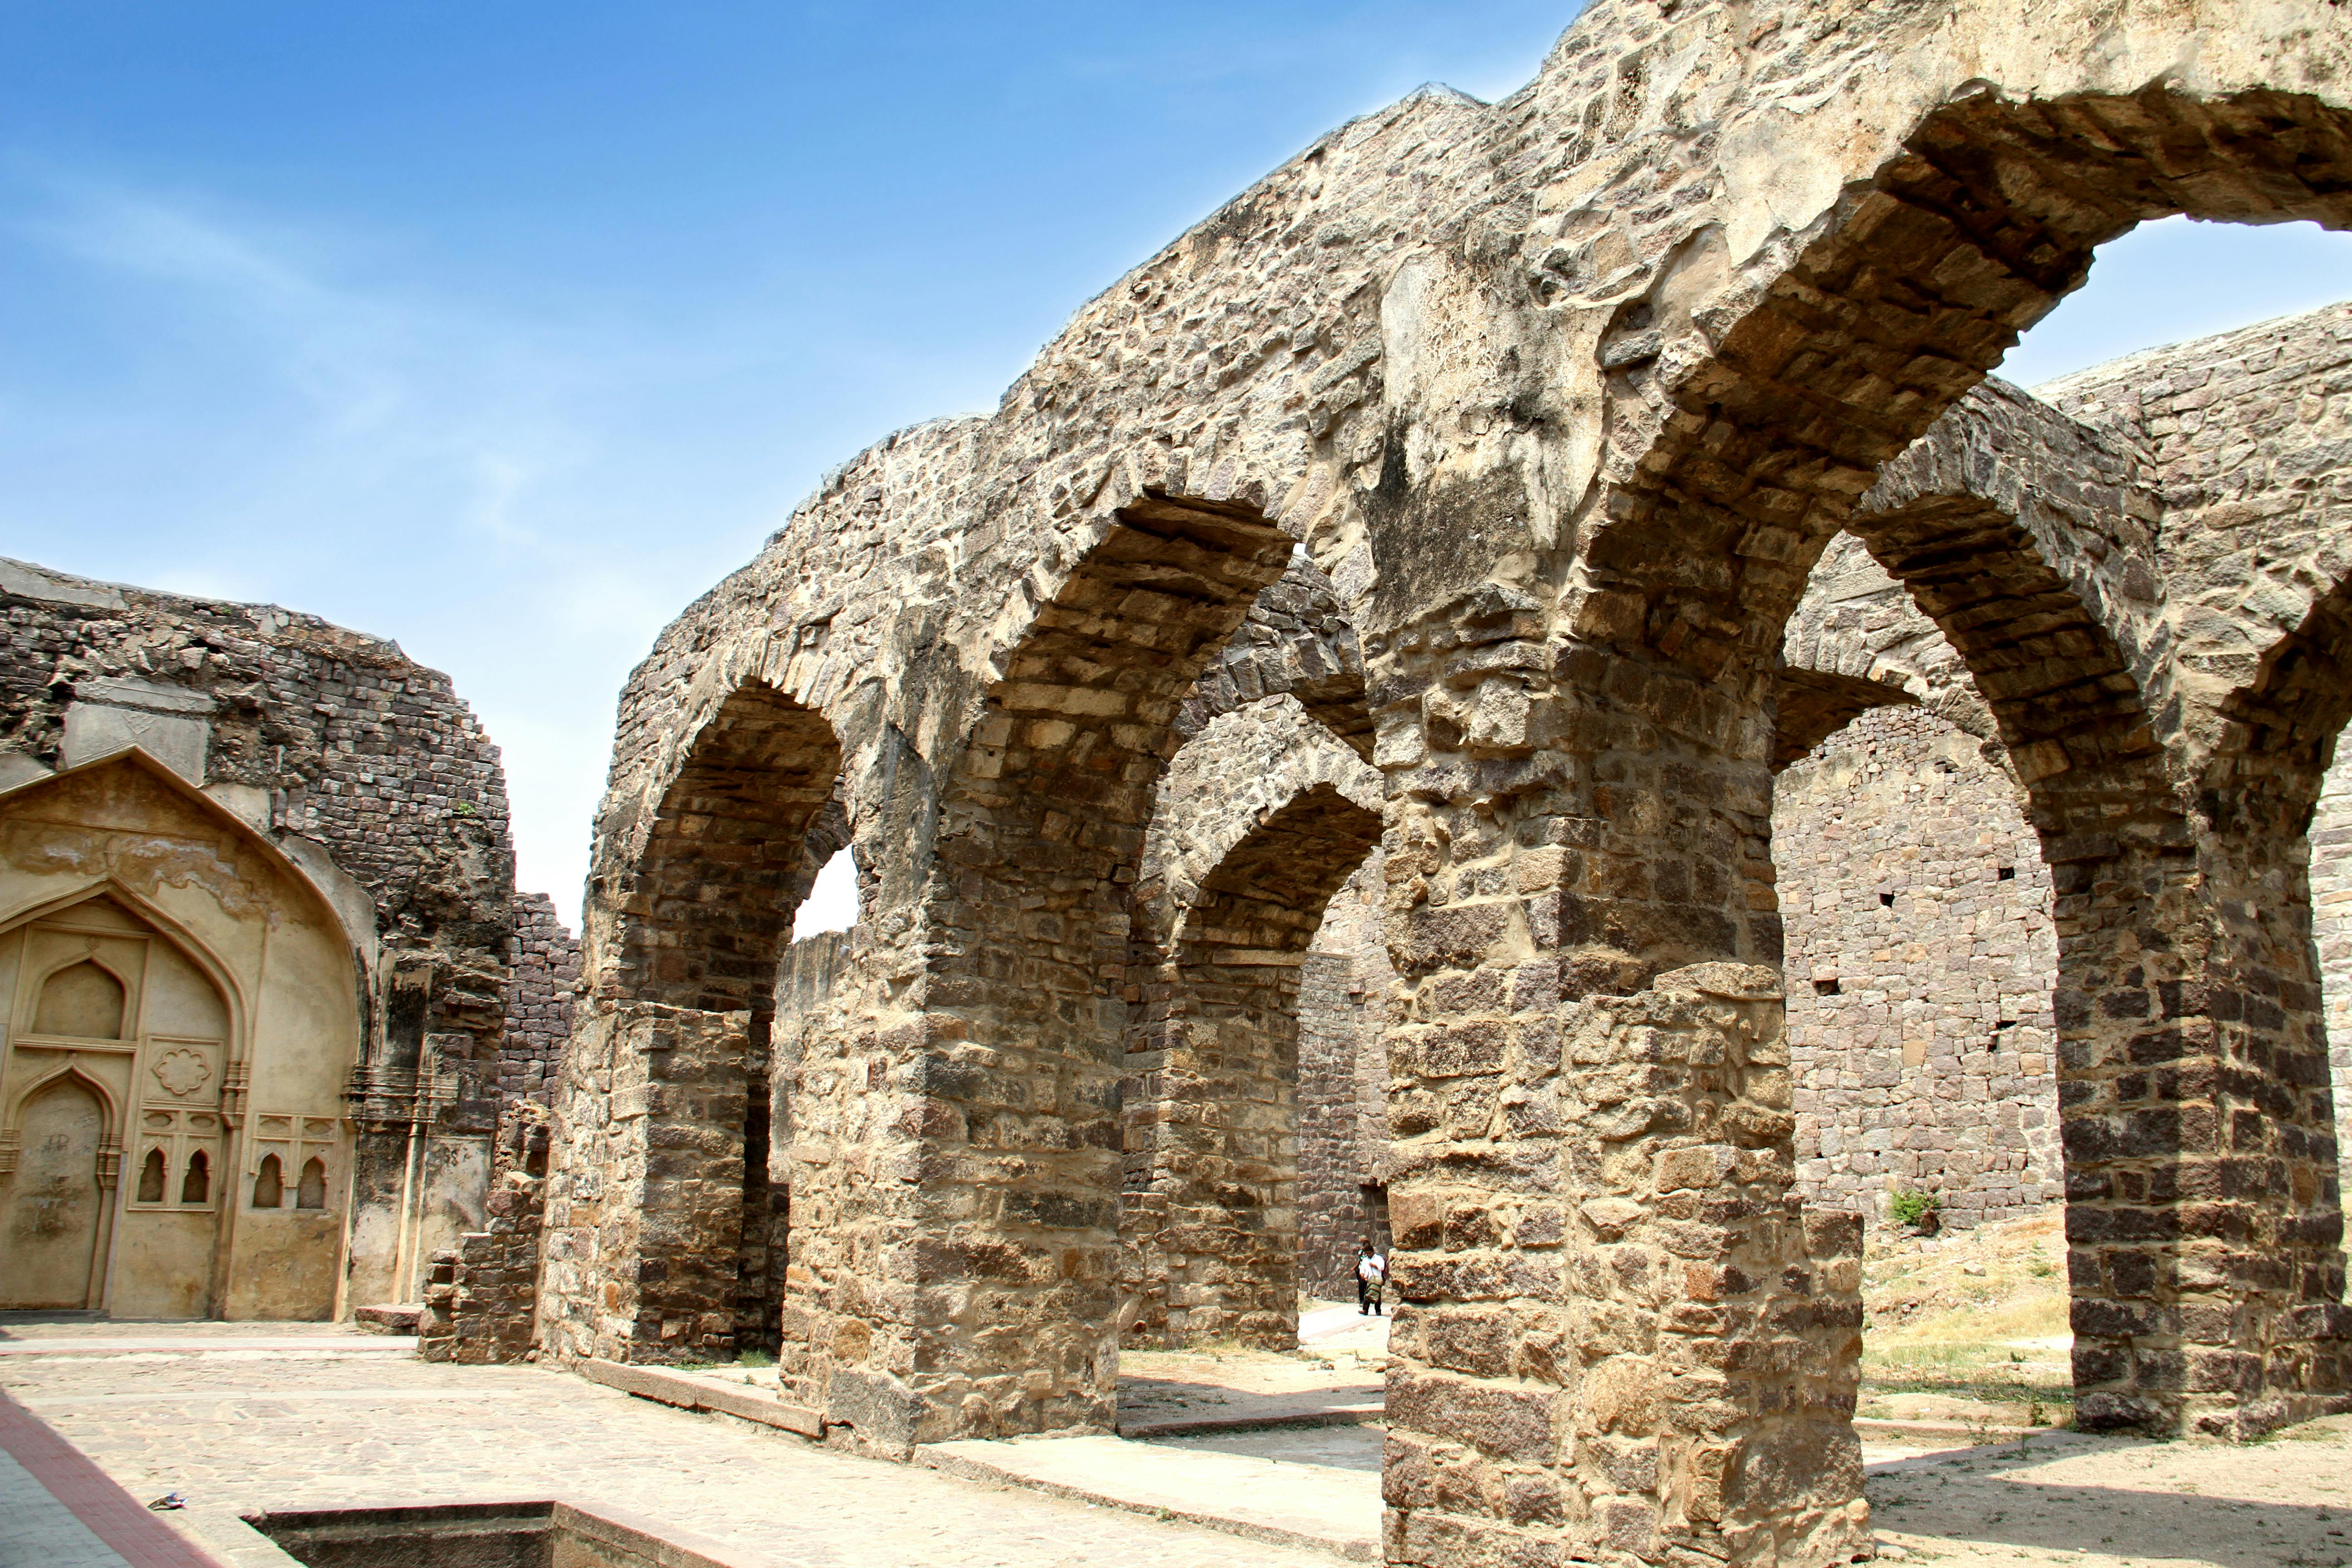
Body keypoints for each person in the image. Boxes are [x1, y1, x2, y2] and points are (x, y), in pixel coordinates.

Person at [1355, 1240, 1387, 1316]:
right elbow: (1362, 1269)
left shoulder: (1378, 1259)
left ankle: (1378, 1311)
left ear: (1373, 1252)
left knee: (1377, 1295)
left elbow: (1382, 1267)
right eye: (1367, 1254)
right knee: (1367, 1294)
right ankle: (1365, 1310)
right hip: (1369, 1279)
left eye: (1370, 1253)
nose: (1369, 1255)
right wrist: (1362, 1274)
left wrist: (1374, 1265)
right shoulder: (1365, 1260)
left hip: (1376, 1279)